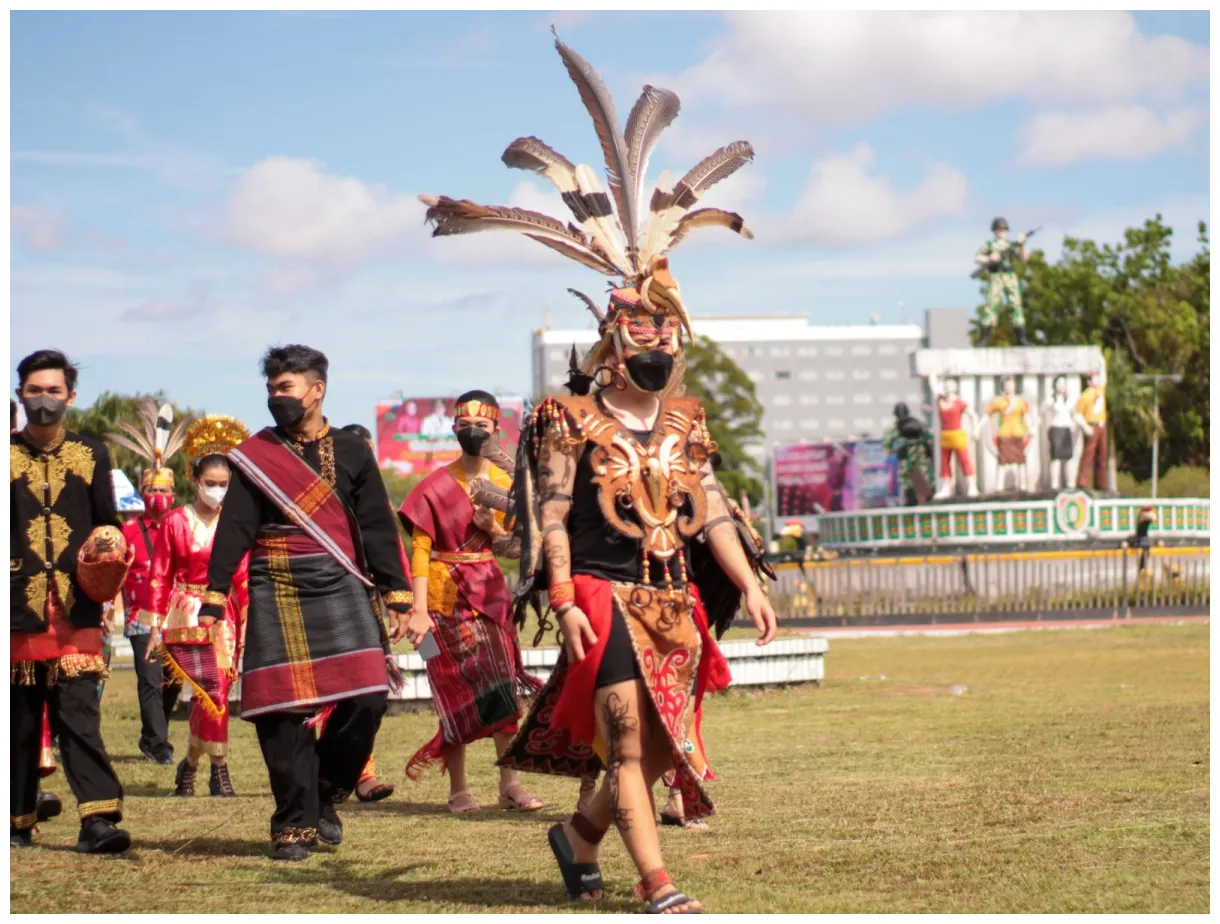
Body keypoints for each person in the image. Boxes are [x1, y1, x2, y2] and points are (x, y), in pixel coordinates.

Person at [419, 35, 775, 911]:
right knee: (624, 740)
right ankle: (657, 885)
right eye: (641, 334)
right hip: (607, 596)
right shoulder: (564, 418)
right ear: (612, 341)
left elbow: (714, 509)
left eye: (667, 335)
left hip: (672, 599)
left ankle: (576, 837)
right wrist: (570, 598)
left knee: (661, 747)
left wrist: (750, 584)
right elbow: (546, 515)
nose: (656, 347)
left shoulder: (689, 420)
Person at [199, 345, 412, 861]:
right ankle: (293, 823)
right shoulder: (255, 455)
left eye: (286, 388)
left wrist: (398, 593)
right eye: (271, 389)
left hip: (341, 581)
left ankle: (325, 792)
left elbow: (379, 527)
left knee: (367, 697)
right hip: (276, 581)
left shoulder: (354, 451)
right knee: (281, 711)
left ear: (316, 390)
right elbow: (236, 527)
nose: (277, 397)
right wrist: (214, 594)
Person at [398, 391, 543, 813]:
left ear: (497, 431)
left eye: (482, 426)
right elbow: (420, 553)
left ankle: (509, 785)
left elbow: (522, 548)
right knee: (451, 689)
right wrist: (419, 610)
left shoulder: (509, 486)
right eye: (465, 425)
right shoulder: (431, 488)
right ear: (454, 428)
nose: (473, 432)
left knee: (502, 682)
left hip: (491, 594)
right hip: (440, 601)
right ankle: (458, 789)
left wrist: (493, 530)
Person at [11, 349, 130, 853]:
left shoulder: (91, 452)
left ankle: (97, 821)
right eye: (34, 390)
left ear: (71, 397)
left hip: (76, 606)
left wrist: (109, 553)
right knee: (16, 721)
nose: (44, 400)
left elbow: (109, 521)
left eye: (53, 391)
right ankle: (16, 821)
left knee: (79, 716)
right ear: (19, 395)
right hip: (15, 608)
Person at [144, 416, 251, 798]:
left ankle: (189, 767)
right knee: (211, 693)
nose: (218, 491)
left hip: (224, 618)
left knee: (213, 693)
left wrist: (251, 621)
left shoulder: (235, 524)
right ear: (196, 481)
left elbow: (242, 576)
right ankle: (219, 770)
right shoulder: (175, 521)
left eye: (225, 485)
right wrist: (153, 625)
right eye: (212, 484)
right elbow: (159, 573)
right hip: (185, 612)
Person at [104, 398, 190, 765]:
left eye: (165, 492)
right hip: (141, 618)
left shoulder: (186, 525)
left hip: (179, 616)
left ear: (174, 495)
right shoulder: (127, 530)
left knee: (173, 681)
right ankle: (159, 744)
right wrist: (107, 606)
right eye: (152, 491)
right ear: (142, 494)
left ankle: (150, 735)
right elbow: (112, 572)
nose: (159, 498)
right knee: (151, 678)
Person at [339, 422, 399, 805]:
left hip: (368, 603)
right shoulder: (323, 502)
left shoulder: (378, 504)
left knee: (368, 687)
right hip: (323, 600)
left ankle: (363, 772)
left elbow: (391, 556)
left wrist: (400, 600)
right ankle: (335, 772)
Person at [974, 217, 1029, 346]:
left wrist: (1022, 245)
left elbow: (1024, 259)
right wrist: (989, 258)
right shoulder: (990, 245)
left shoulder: (1011, 245)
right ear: (995, 231)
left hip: (1009, 275)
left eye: (1003, 229)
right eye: (999, 229)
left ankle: (1021, 338)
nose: (1001, 231)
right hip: (996, 275)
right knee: (992, 304)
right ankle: (984, 338)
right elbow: (977, 257)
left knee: (1016, 305)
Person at [934, 378, 979, 499]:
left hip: (957, 435)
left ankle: (972, 485)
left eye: (950, 385)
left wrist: (976, 429)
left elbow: (973, 415)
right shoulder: (940, 400)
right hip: (945, 436)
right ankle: (946, 487)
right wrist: (933, 376)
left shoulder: (959, 402)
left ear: (955, 387)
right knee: (945, 462)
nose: (948, 387)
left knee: (964, 460)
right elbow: (933, 386)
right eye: (946, 385)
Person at [985, 376, 1031, 493]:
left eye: (1011, 384)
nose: (1009, 387)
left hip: (1017, 433)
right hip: (1004, 434)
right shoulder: (999, 402)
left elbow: (1026, 417)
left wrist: (1031, 429)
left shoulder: (1020, 402)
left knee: (1020, 461)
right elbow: (987, 414)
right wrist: (978, 428)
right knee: (1003, 461)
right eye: (1006, 384)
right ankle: (999, 485)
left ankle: (1023, 485)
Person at [881, 403, 934, 506]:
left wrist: (896, 450)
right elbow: (928, 437)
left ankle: (912, 501)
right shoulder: (918, 424)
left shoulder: (894, 428)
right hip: (920, 455)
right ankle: (927, 500)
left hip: (906, 456)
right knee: (925, 478)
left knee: (906, 479)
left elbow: (887, 445)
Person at [1074, 370, 1109, 491]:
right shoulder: (1085, 396)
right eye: (1094, 378)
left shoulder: (1100, 391)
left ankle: (1102, 483)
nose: (1097, 380)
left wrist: (1101, 363)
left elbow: (1104, 378)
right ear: (1088, 381)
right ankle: (1082, 481)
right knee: (1088, 454)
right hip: (1091, 425)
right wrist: (1085, 427)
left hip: (1102, 425)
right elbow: (1077, 414)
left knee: (1102, 455)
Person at [1044, 375, 1077, 491]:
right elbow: (1043, 414)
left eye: (1063, 383)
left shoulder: (1070, 401)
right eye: (1059, 383)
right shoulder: (1050, 401)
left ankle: (1070, 484)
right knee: (1056, 459)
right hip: (1056, 429)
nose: (1061, 386)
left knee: (1068, 458)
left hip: (1066, 429)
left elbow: (1075, 415)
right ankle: (1054, 485)